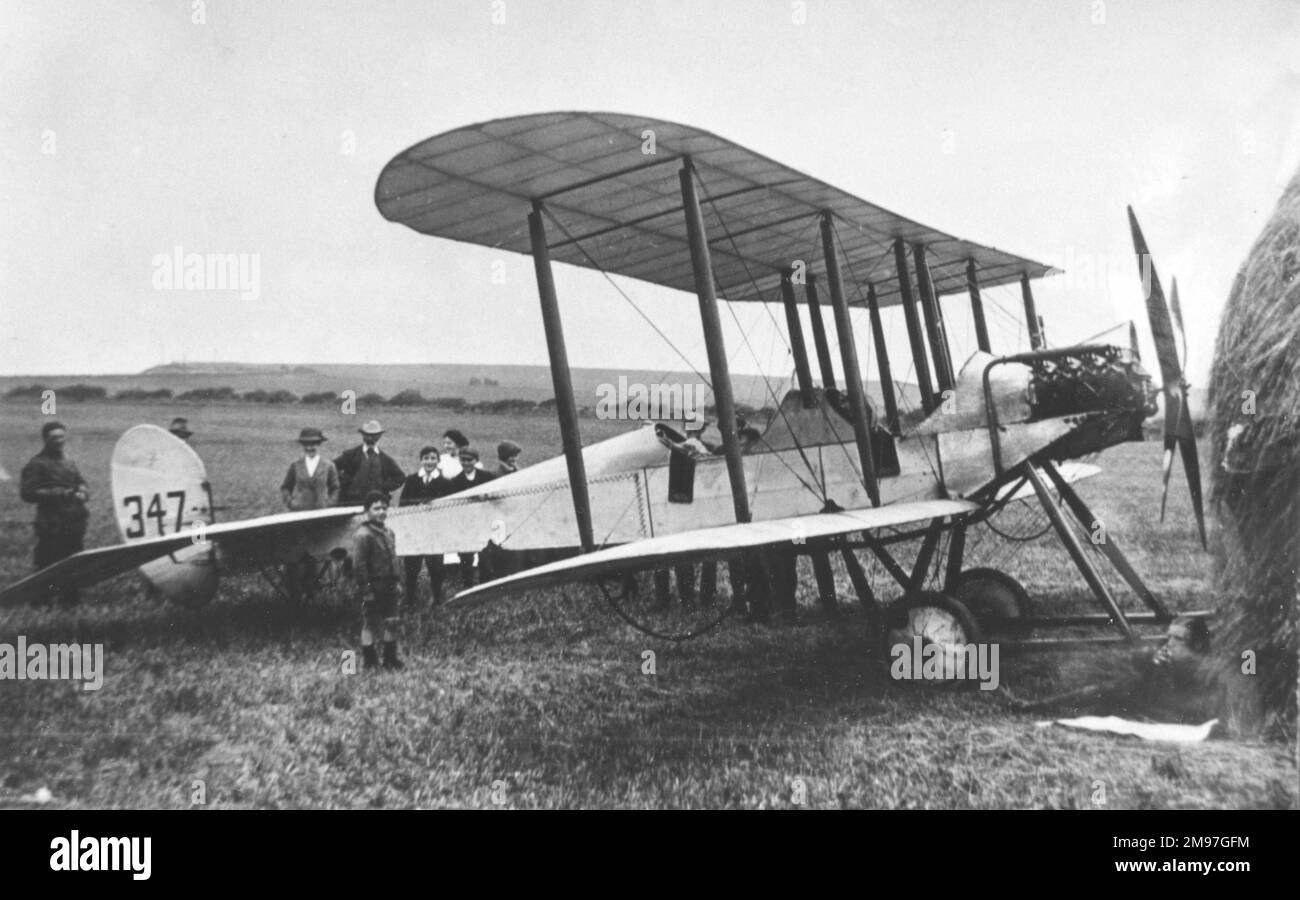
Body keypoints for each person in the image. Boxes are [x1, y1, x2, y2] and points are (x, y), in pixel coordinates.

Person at [20, 421, 90, 605]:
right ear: (45, 439)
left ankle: (71, 601)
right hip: (51, 524)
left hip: (74, 523)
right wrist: (59, 493)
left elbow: (81, 481)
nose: (59, 441)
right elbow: (27, 493)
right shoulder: (37, 464)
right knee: (47, 564)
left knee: (74, 563)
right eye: (54, 437)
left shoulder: (69, 461)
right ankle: (42, 603)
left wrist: (83, 491)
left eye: (61, 436)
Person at [279, 427, 339, 601]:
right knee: (297, 554)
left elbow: (336, 488)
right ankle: (295, 591)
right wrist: (291, 503)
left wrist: (329, 505)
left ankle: (313, 588)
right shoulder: (296, 466)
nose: (310, 448)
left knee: (317, 552)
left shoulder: (328, 466)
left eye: (313, 444)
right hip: (299, 515)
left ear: (319, 444)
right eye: (307, 444)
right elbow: (285, 487)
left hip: (320, 516)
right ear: (302, 446)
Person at [352, 491, 404, 671]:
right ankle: (370, 660)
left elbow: (394, 558)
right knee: (370, 623)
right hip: (373, 586)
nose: (381, 512)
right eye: (376, 508)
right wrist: (366, 590)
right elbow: (359, 565)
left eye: (384, 508)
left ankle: (390, 659)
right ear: (367, 511)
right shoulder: (363, 535)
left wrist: (397, 581)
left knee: (392, 621)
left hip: (390, 584)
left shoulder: (389, 532)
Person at [399, 445, 452, 606]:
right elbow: (403, 504)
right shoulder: (412, 480)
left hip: (435, 531)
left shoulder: (445, 482)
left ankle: (436, 598)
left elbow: (449, 506)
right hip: (415, 530)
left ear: (438, 460)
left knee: (436, 566)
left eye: (433, 458)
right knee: (412, 567)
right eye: (426, 458)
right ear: (421, 460)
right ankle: (410, 599)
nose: (429, 462)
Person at [447, 447, 496, 586]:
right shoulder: (455, 481)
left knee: (485, 556)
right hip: (465, 524)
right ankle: (467, 586)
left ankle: (485, 585)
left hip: (483, 521)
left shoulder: (486, 477)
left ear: (476, 461)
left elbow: (494, 496)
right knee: (466, 557)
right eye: (463, 460)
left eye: (470, 460)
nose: (466, 463)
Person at [334, 420, 404, 505]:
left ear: (379, 436)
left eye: (374, 435)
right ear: (363, 435)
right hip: (351, 501)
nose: (370, 438)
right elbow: (331, 467)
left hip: (376, 503)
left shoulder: (385, 459)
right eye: (367, 435)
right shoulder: (350, 455)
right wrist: (345, 482)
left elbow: (400, 477)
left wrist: (384, 487)